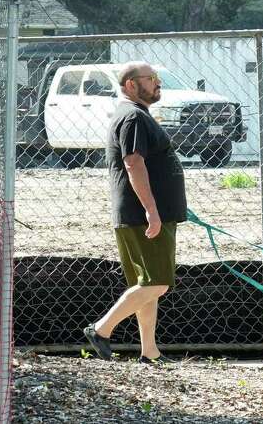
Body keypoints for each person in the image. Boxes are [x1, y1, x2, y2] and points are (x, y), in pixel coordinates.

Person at [83, 61, 188, 365]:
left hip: (147, 213)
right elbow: (133, 163)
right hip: (143, 215)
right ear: (131, 84)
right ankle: (101, 330)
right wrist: (152, 210)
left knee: (147, 284)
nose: (158, 83)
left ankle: (150, 351)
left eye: (157, 78)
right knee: (158, 282)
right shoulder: (133, 117)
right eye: (151, 78)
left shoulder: (136, 114)